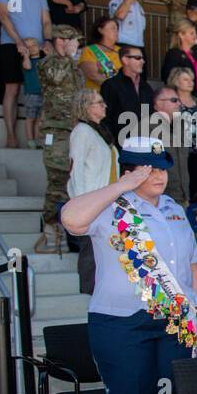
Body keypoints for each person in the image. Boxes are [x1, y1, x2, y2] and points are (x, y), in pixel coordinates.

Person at [60, 136, 197, 394]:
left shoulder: (174, 210)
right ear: (130, 169)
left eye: (162, 167)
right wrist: (122, 185)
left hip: (172, 321)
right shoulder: (110, 207)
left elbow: (190, 266)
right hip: (121, 322)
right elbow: (71, 219)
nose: (160, 174)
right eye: (150, 168)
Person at [0, 0, 51, 149]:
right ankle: (10, 135)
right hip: (10, 43)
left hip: (37, 47)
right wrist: (17, 39)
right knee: (12, 87)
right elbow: (3, 15)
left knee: (38, 89)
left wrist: (48, 40)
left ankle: (36, 138)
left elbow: (46, 20)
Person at [34, 24, 83, 253]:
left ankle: (65, 228)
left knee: (71, 182)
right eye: (72, 41)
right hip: (57, 130)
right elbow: (55, 77)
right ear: (61, 41)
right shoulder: (48, 63)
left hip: (74, 130)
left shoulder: (74, 66)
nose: (76, 46)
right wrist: (68, 56)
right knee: (57, 182)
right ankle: (49, 227)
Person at [65, 89, 117, 293]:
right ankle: (89, 291)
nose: (104, 105)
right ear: (86, 107)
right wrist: (80, 204)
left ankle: (101, 289)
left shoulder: (99, 131)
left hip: (106, 201)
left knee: (102, 249)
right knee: (90, 249)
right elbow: (75, 169)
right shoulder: (82, 132)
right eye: (99, 102)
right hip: (90, 202)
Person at [100, 44, 153, 146]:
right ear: (125, 60)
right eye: (138, 58)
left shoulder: (146, 88)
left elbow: (148, 116)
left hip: (143, 145)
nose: (143, 61)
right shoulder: (110, 85)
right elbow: (105, 118)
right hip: (119, 145)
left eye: (142, 58)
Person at [159, 18, 197, 102]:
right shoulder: (174, 54)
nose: (195, 36)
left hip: (196, 99)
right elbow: (168, 77)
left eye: (195, 33)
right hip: (180, 100)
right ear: (181, 35)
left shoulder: (194, 55)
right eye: (192, 33)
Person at [78, 16, 120, 91]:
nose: (116, 31)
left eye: (117, 29)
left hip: (119, 97)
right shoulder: (89, 50)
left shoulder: (121, 51)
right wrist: (118, 90)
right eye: (113, 28)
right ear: (100, 30)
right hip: (97, 97)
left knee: (145, 102)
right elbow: (93, 75)